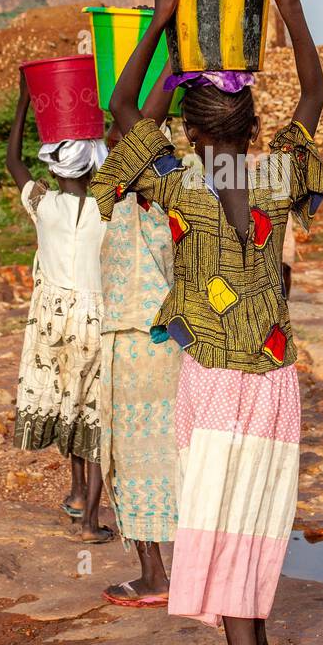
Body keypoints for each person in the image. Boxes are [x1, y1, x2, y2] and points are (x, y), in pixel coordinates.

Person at [90, 0, 323, 645]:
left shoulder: (178, 183)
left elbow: (123, 109)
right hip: (274, 381)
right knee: (255, 522)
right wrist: (291, 7)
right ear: (255, 124)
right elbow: (315, 93)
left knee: (221, 527)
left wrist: (161, 16)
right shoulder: (277, 173)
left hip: (213, 379)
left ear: (189, 132)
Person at [6, 72, 112, 544]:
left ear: (53, 171)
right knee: (94, 415)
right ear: (95, 169)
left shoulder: (42, 204)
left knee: (68, 405)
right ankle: (89, 520)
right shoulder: (107, 209)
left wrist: (25, 102)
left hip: (50, 319)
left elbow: (13, 160)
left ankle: (75, 495)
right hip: (94, 318)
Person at [98, 73, 182, 607]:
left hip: (134, 343)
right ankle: (198, 575)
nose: (111, 138)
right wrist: (174, 64)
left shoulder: (121, 187)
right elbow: (138, 123)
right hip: (171, 340)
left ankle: (155, 575)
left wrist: (164, 41)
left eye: (117, 134)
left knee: (133, 458)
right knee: (177, 454)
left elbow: (130, 115)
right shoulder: (181, 185)